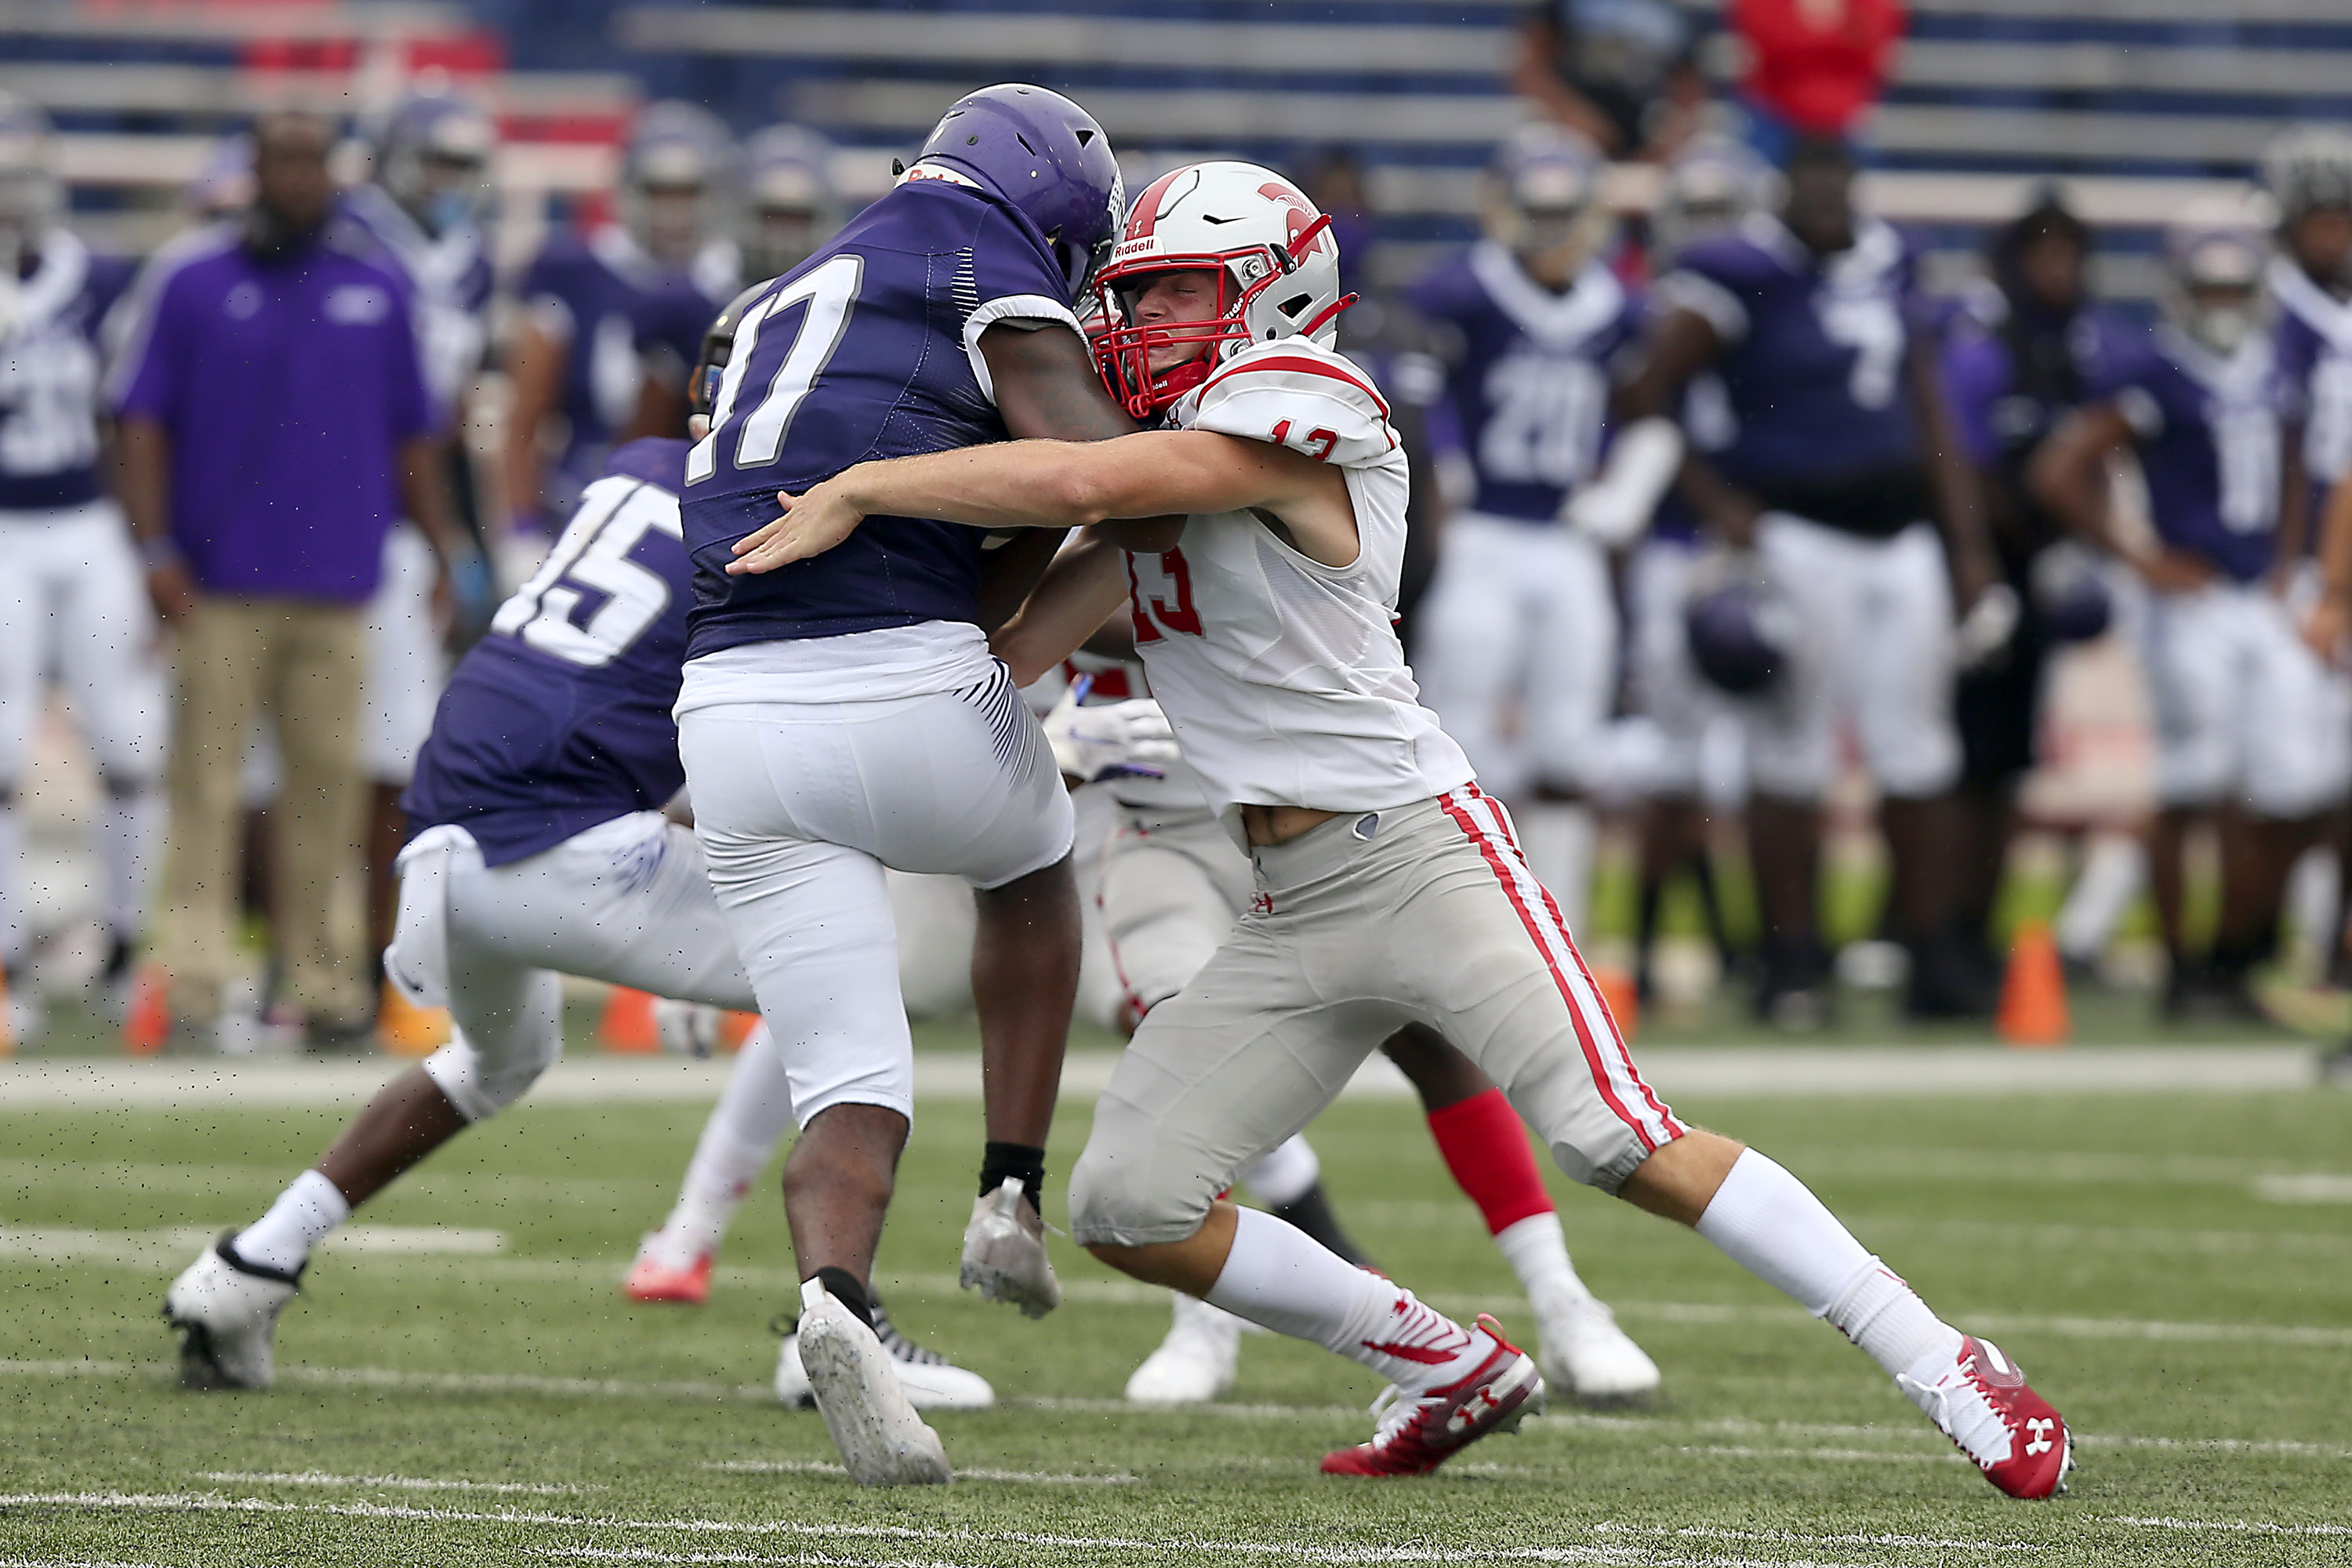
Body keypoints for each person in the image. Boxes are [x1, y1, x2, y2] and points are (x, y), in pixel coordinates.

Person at [731, 159, 2074, 1498]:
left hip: (1420, 850)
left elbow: (1104, 472)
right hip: (1287, 897)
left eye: (1177, 294)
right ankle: (1450, 1364)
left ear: (1279, 291)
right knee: (1127, 1206)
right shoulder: (1158, 477)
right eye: (1130, 299)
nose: (1140, 327)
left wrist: (868, 482)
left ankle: (1953, 1363)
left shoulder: (1309, 399)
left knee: (1622, 1140)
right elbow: (1007, 646)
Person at [159, 363, 989, 1406]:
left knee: (495, 1062)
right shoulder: (774, 513)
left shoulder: (635, 468)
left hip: (443, 843)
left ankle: (248, 1266)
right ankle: (832, 1331)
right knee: (851, 966)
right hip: (561, 845)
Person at [674, 83, 1130, 1486]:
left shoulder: (774, 294)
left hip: (728, 710)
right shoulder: (975, 257)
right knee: (1033, 869)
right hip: (904, 685)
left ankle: (837, 1301)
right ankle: (1010, 1188)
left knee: (850, 1074)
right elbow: (1093, 472)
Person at [1050, 648, 1660, 1407]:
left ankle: (1563, 1296)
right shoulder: (1090, 529)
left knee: (1425, 1034)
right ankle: (1202, 1315)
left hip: (1320, 812)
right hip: (1162, 826)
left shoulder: (1238, 528)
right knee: (1181, 1034)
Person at [1606, 136, 2002, 1026]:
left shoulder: (1894, 258)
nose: (1827, 199)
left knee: (1919, 751)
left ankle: (1927, 954)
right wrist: (1717, 501)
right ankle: (1790, 960)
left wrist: (1966, 545)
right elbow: (1644, 390)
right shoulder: (1740, 271)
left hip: (1900, 539)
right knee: (1793, 755)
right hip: (1794, 537)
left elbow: (1927, 396)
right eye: (1811, 184)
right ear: (1781, 194)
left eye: (1840, 183)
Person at [110, 111, 459, 1051]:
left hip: (341, 583)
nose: (299, 178)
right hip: (220, 581)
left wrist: (441, 550)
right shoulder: (190, 279)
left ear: (334, 174)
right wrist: (153, 552)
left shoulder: (376, 284)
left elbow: (413, 433)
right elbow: (139, 422)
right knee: (207, 791)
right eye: (283, 161)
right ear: (255, 169)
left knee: (328, 796)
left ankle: (326, 985)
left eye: (313, 161)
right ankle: (191, 985)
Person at [2032, 219, 2347, 1020]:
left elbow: (2294, 464)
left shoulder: (2279, 361)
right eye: (2209, 288)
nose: (2223, 304)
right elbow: (2061, 468)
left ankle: (2234, 958)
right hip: (2192, 599)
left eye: (2235, 288)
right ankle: (2183, 971)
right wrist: (2138, 558)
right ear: (2181, 292)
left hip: (2264, 597)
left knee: (2290, 786)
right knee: (2191, 783)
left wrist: (2288, 560)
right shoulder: (2155, 369)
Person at [1406, 125, 1635, 939]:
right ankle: (1452, 926)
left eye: (1561, 211)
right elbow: (1420, 399)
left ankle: (1559, 931)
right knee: (1457, 735)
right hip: (1482, 537)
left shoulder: (1619, 308)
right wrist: (1448, 478)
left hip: (1567, 539)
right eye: (1533, 211)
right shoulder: (1461, 291)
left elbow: (1654, 412)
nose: (1547, 229)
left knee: (1570, 744)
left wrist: (1627, 494)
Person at [338, 86, 500, 1049]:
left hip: (417, 519)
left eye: (459, 165)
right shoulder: (351, 238)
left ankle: (385, 963)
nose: (446, 184)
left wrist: (466, 536)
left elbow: (450, 420)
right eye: (433, 162)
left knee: (397, 754)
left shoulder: (470, 262)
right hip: (337, 514)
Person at [0, 93, 158, 1043]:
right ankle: (9, 963)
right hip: (3, 528)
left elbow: (133, 412)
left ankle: (126, 951)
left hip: (91, 522)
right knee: (1, 755)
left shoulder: (98, 277)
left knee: (133, 749)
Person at [1937, 191, 2122, 985]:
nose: (2059, 271)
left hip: (2031, 566)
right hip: (1980, 567)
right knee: (1963, 761)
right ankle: (1936, 940)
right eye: (2044, 254)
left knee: (2009, 765)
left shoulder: (2072, 347)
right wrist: (1984, 560)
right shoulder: (1987, 343)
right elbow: (1965, 463)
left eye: (2070, 255)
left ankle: (1978, 934)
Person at [1616, 136, 1766, 1004]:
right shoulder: (1651, 314)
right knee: (1677, 766)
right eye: (1698, 217)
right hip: (1675, 545)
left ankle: (1738, 946)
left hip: (1741, 548)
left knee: (1732, 767)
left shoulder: (1771, 310)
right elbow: (1637, 424)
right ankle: (1658, 949)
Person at [501, 101, 738, 543]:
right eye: (660, 192)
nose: (674, 210)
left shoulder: (733, 279)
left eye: (688, 193)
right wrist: (519, 524)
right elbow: (524, 417)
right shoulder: (574, 269)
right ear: (628, 190)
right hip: (587, 483)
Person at [1512, 0, 1705, 163]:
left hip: (1649, 134)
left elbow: (1690, 84)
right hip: (1573, 135)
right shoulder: (1565, 5)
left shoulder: (1670, 11)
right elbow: (1531, 69)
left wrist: (1668, 136)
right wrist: (1573, 116)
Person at [1728, 0, 1906, 162]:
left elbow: (1873, 45)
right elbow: (1769, 40)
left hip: (1848, 121)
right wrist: (1835, 34)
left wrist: (1807, 32)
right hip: (1775, 115)